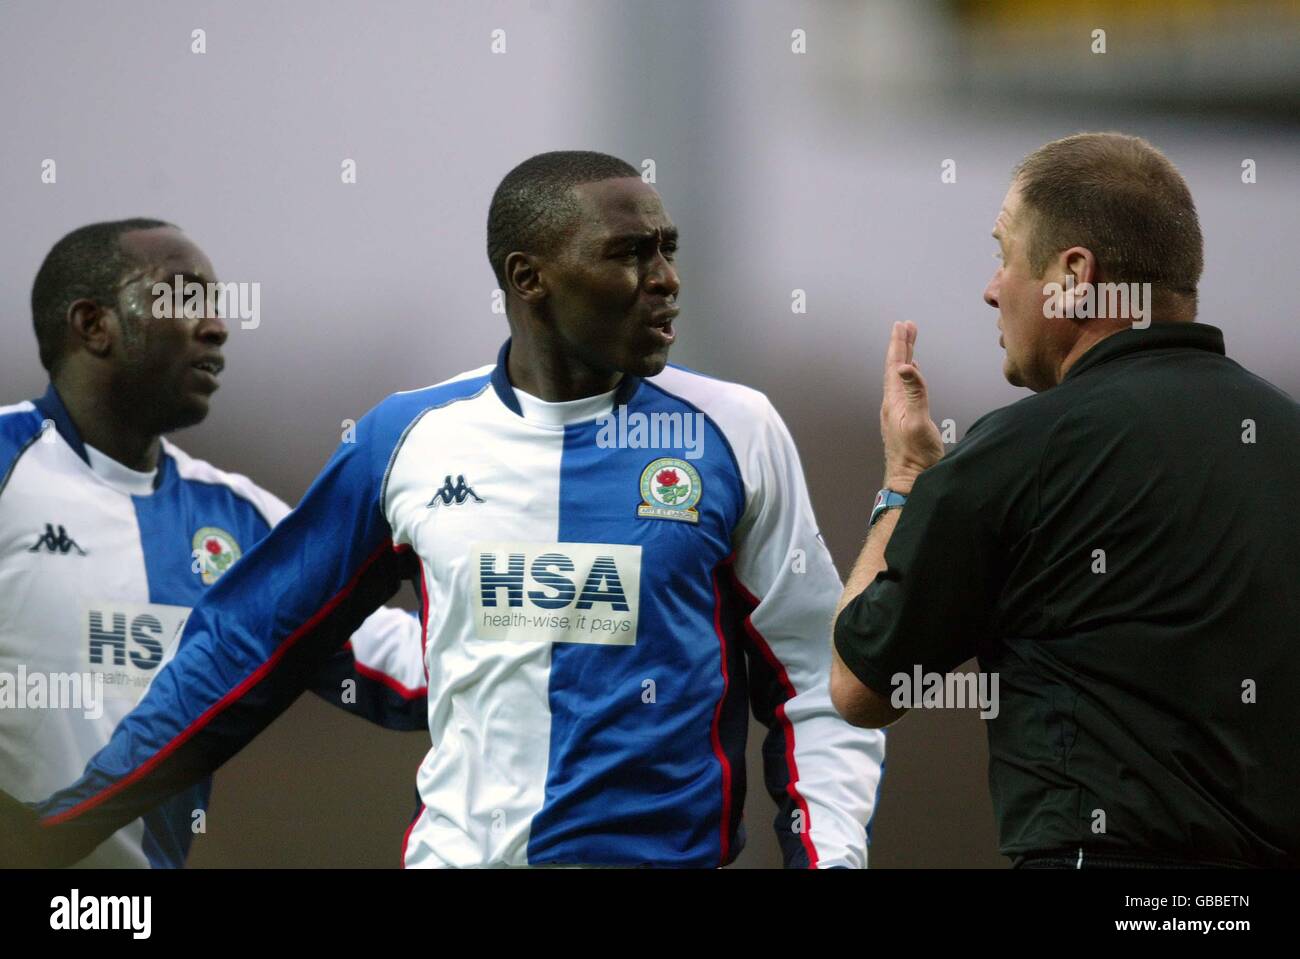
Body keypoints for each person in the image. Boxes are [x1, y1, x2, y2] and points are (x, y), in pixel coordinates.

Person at [3, 153, 884, 869]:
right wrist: (67, 824)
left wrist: (830, 862)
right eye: (629, 254)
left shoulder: (735, 432)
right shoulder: (409, 438)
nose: (665, 281)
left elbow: (816, 682)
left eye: (668, 249)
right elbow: (248, 648)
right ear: (528, 278)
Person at [830, 132, 1300, 868]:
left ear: (1074, 275)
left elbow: (858, 684)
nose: (991, 286)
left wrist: (906, 478)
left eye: (1005, 253)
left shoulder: (1023, 451)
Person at [0, 219, 428, 867]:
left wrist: (578, 627)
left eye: (218, 305)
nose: (218, 326)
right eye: (182, 298)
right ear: (94, 325)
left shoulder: (238, 518)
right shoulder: (8, 465)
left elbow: (393, 664)